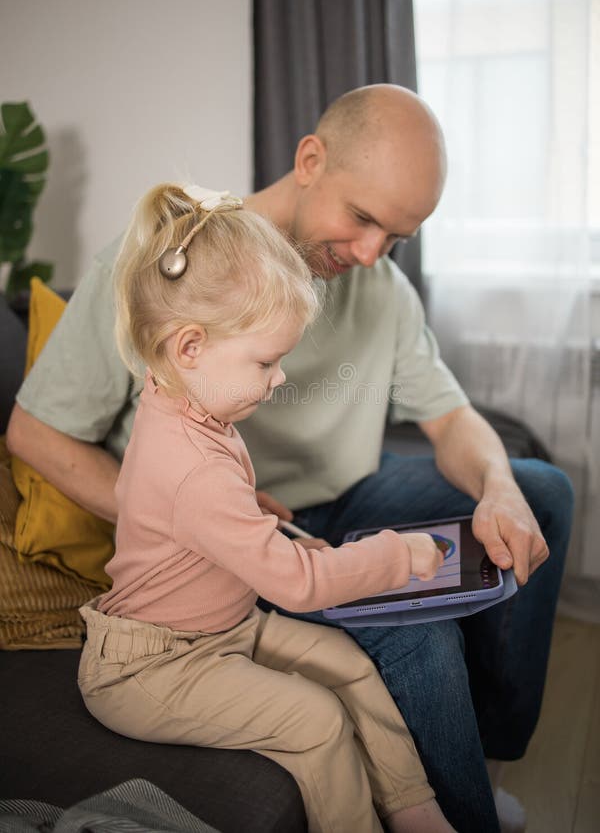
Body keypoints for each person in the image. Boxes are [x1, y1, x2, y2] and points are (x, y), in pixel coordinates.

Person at [7, 85, 573, 833]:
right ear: (311, 159)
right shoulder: (166, 272)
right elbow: (34, 433)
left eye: (397, 237)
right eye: (363, 218)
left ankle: (483, 748)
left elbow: (450, 414)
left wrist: (496, 487)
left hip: (340, 502)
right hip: (231, 542)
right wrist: (204, 520)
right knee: (416, 633)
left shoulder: (380, 286)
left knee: (541, 490)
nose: (372, 254)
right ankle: (459, 808)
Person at [77, 181, 456, 833]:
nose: (278, 378)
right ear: (190, 346)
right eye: (266, 361)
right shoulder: (192, 459)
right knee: (316, 720)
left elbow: (180, 507)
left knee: (352, 667)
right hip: (150, 667)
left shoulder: (175, 393)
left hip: (220, 630)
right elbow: (295, 586)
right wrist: (398, 554)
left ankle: (416, 813)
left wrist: (259, 518)